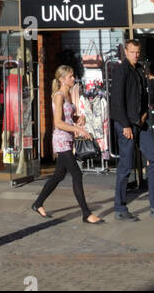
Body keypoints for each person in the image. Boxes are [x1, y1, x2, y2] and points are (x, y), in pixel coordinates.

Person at [110, 39, 154, 222]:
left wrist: (146, 112)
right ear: (126, 52)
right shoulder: (121, 71)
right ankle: (120, 207)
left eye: (138, 52)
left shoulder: (140, 69)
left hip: (141, 123)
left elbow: (144, 95)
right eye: (132, 52)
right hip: (127, 125)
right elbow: (116, 101)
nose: (135, 55)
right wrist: (124, 125)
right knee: (126, 166)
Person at [30, 65, 102, 224]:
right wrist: (77, 129)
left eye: (73, 76)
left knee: (59, 175)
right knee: (77, 174)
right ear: (62, 79)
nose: (73, 78)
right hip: (61, 140)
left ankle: (37, 203)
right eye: (70, 76)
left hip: (68, 139)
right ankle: (86, 213)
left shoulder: (68, 95)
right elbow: (58, 123)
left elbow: (68, 117)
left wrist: (78, 119)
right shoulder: (59, 96)